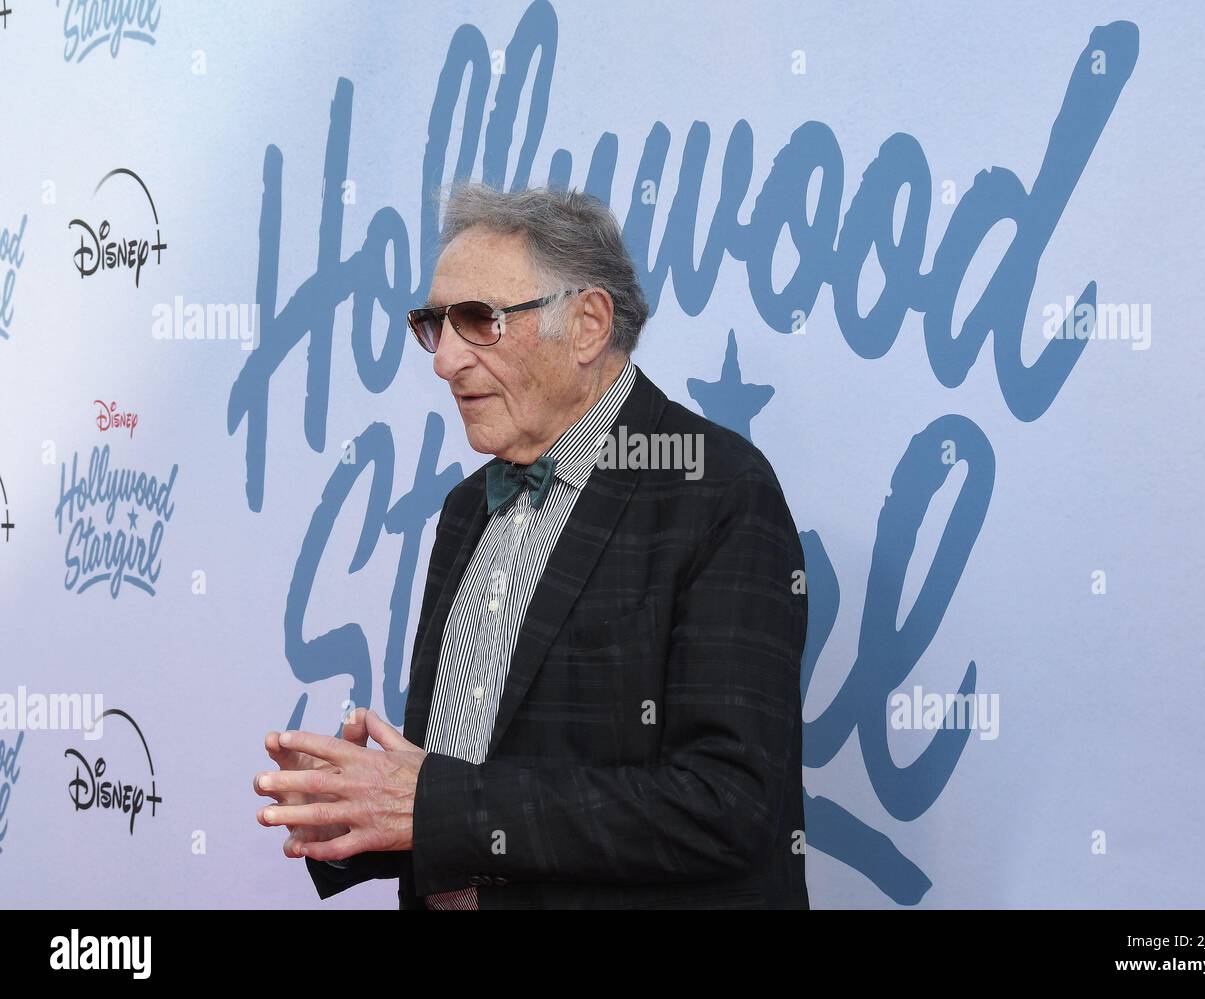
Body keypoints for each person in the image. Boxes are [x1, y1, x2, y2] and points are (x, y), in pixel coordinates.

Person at [253, 181, 809, 909]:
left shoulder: (718, 489)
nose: (443, 360)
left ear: (586, 324)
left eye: (478, 320)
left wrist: (430, 804)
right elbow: (453, 803)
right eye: (434, 323)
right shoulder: (463, 512)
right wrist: (353, 807)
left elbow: (724, 803)